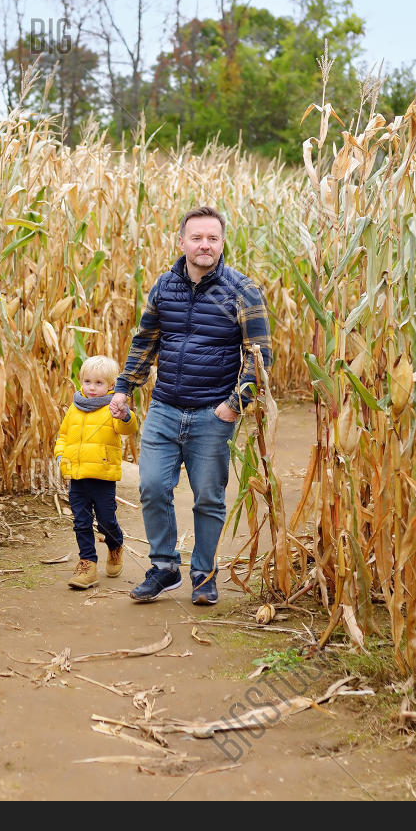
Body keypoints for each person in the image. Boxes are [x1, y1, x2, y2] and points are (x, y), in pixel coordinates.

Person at [110, 205, 272, 605]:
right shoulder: (164, 286)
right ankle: (164, 567)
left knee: (207, 497)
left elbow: (259, 358)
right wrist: (124, 388)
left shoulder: (242, 290)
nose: (204, 245)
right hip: (165, 407)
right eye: (196, 237)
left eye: (212, 238)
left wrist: (235, 405)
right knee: (151, 487)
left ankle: (203, 572)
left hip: (212, 413)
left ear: (221, 243)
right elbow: (145, 342)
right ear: (181, 241)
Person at [54, 355, 139, 590]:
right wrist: (61, 457)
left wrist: (124, 415)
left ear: (111, 386)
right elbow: (63, 435)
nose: (92, 387)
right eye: (88, 381)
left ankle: (115, 545)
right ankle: (87, 564)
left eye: (99, 383)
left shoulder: (112, 408)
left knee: (105, 521)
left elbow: (128, 428)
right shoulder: (75, 407)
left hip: (102, 476)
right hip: (78, 476)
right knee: (81, 522)